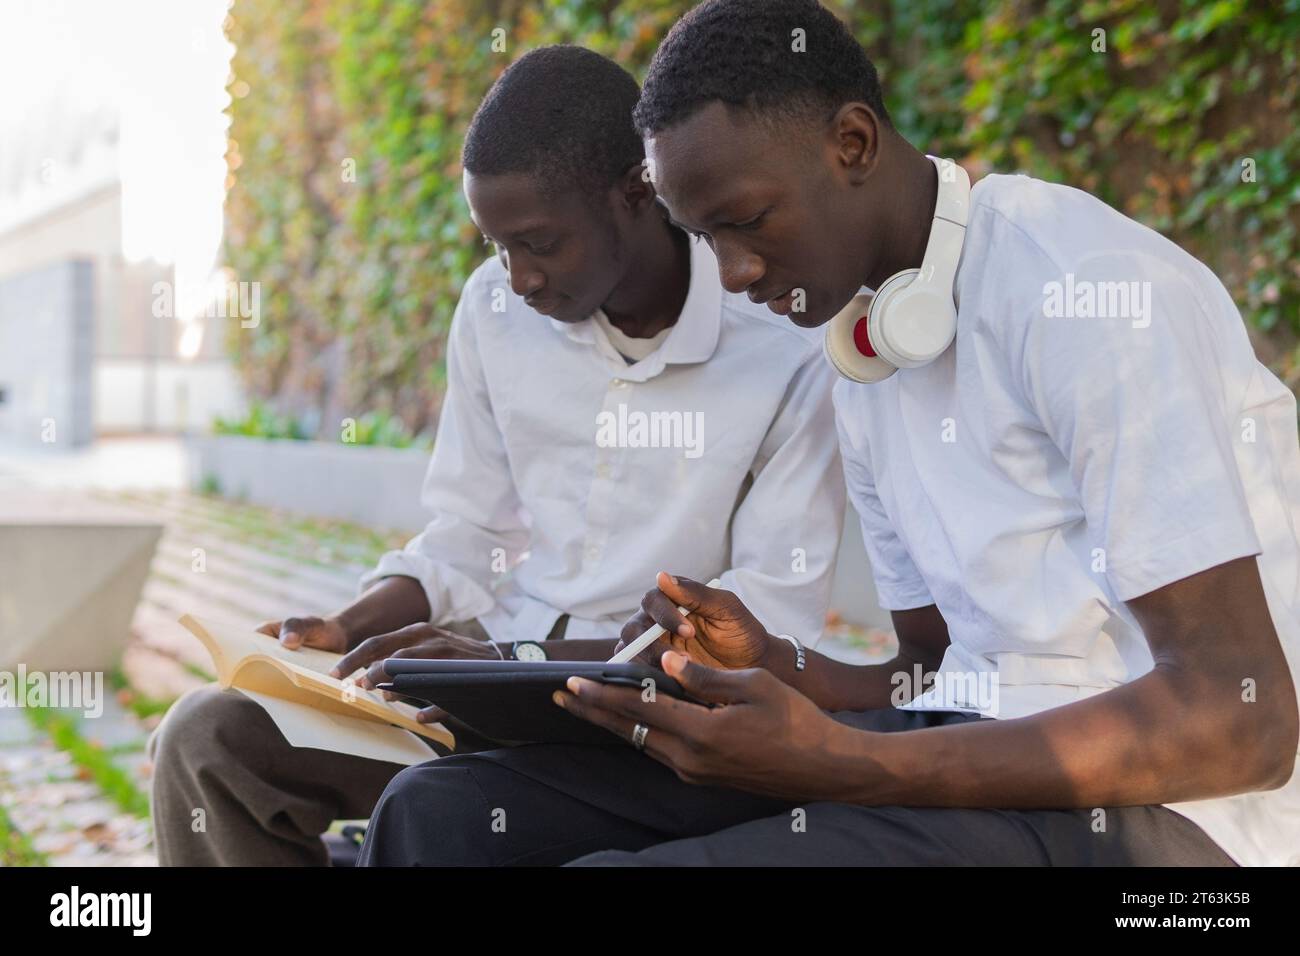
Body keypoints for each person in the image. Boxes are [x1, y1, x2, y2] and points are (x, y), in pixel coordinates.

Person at [358, 0, 1299, 867]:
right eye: (702, 235)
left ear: (851, 142)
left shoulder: (1082, 297)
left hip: (1177, 829)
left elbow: (1239, 724)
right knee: (438, 816)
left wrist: (838, 767)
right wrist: (773, 664)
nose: (728, 272)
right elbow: (923, 673)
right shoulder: (863, 344)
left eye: (745, 221)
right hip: (969, 746)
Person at [147, 43, 845, 866]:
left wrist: (514, 664)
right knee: (206, 738)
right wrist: (347, 624)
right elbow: (467, 532)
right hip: (481, 677)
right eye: (496, 246)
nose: (517, 278)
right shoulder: (493, 313)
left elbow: (764, 618)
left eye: (540, 243)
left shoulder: (781, 348)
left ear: (637, 191)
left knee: (439, 811)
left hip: (643, 721)